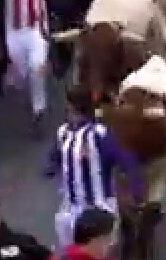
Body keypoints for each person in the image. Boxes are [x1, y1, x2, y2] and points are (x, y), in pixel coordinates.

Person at [47, 85, 145, 248]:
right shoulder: (63, 132)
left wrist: (136, 189)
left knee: (93, 256)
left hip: (98, 207)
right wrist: (52, 166)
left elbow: (127, 160)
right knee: (71, 254)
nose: (69, 112)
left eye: (72, 109)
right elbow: (57, 156)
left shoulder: (100, 134)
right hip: (71, 207)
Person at [3, 0, 51, 133]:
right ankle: (28, 95)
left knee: (37, 67)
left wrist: (46, 27)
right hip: (15, 30)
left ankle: (39, 110)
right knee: (22, 72)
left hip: (35, 28)